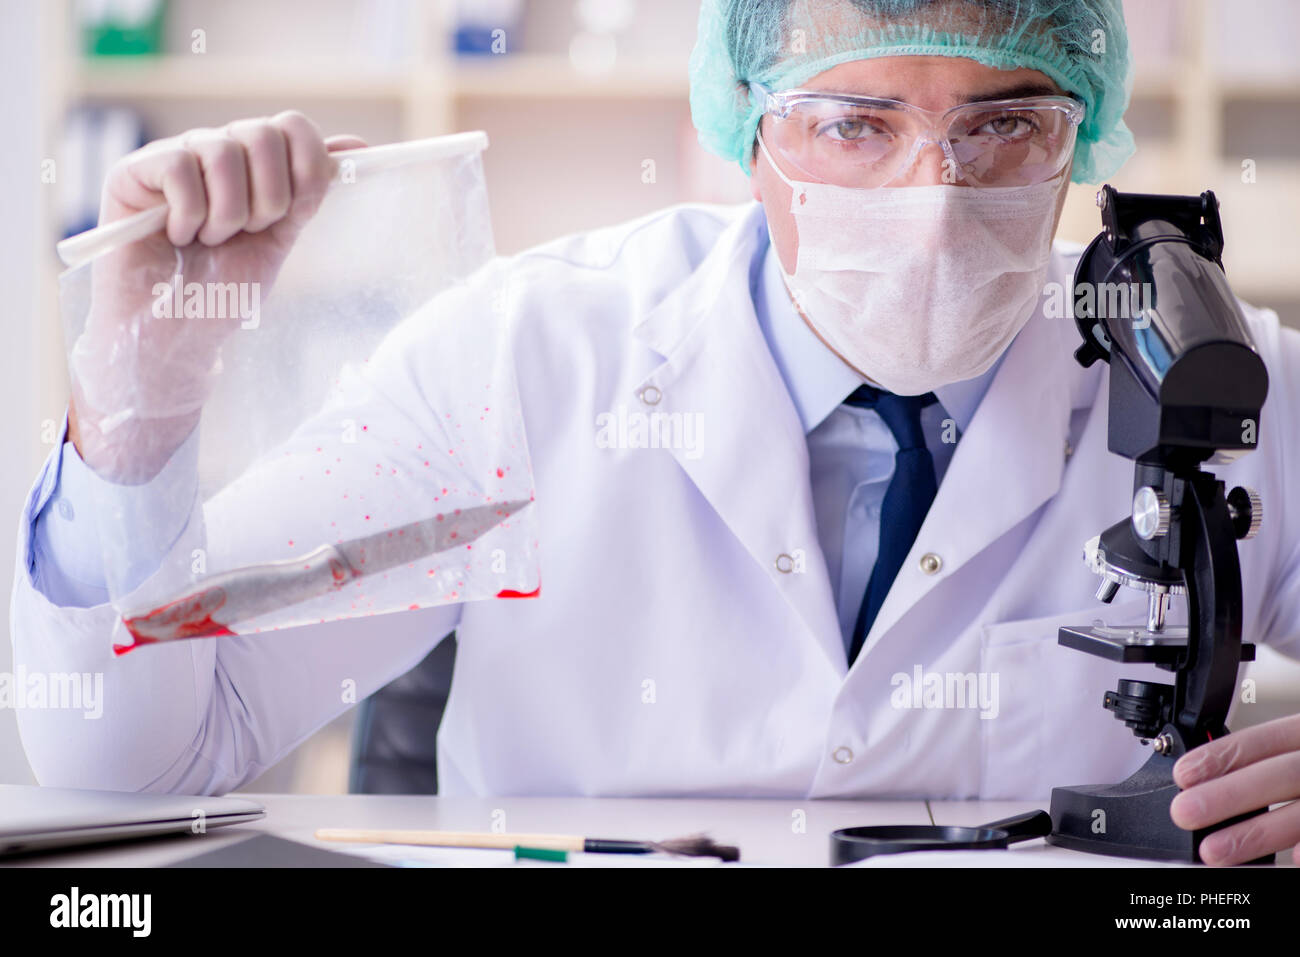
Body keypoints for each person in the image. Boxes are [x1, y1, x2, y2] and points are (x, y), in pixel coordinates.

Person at [12, 0, 1300, 866]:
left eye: (1004, 123)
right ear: (747, 130)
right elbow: (136, 759)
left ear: (1085, 131)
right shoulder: (525, 358)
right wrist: (141, 395)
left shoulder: (1211, 375)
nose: (934, 191)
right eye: (855, 125)